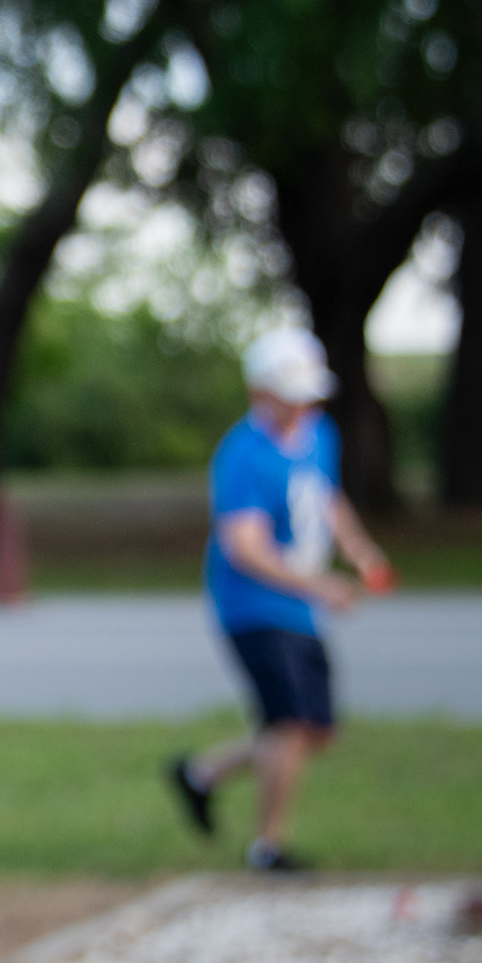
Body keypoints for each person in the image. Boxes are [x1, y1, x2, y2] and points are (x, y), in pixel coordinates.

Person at [166, 327, 394, 873]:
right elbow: (244, 547)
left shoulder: (319, 435)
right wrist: (318, 584)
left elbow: (326, 498)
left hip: (300, 606)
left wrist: (359, 550)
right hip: (253, 607)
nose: (300, 406)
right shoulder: (242, 455)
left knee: (316, 732)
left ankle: (201, 774)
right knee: (289, 724)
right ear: (259, 392)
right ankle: (269, 847)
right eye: (289, 395)